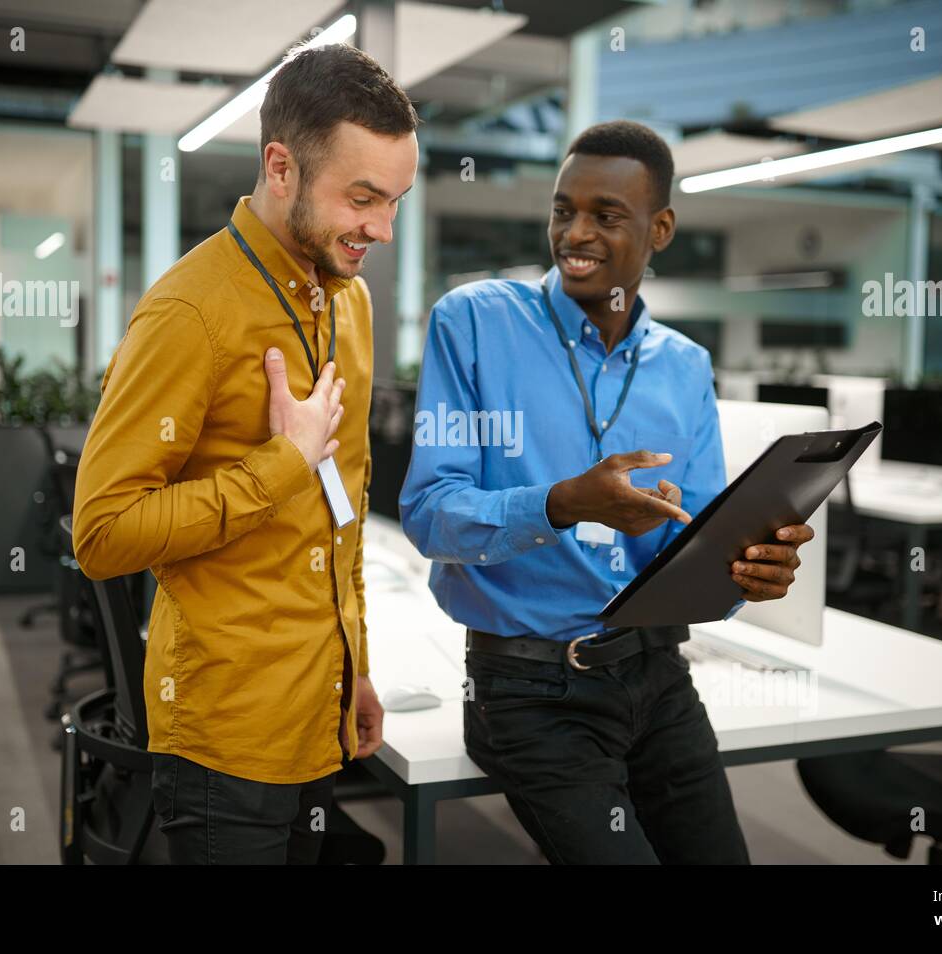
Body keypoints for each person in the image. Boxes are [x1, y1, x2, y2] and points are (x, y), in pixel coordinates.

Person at [399, 120, 813, 864]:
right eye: (563, 210)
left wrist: (748, 570)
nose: (574, 233)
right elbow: (429, 514)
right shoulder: (475, 323)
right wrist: (563, 502)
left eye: (605, 214)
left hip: (657, 675)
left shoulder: (684, 366)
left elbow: (688, 546)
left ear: (660, 229)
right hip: (527, 689)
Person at [72, 44, 419, 864]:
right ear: (281, 167)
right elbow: (100, 533)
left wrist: (355, 665)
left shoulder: (350, 302)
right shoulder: (190, 312)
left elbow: (347, 504)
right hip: (223, 734)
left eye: (396, 202)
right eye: (363, 198)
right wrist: (277, 467)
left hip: (317, 708)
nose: (382, 228)